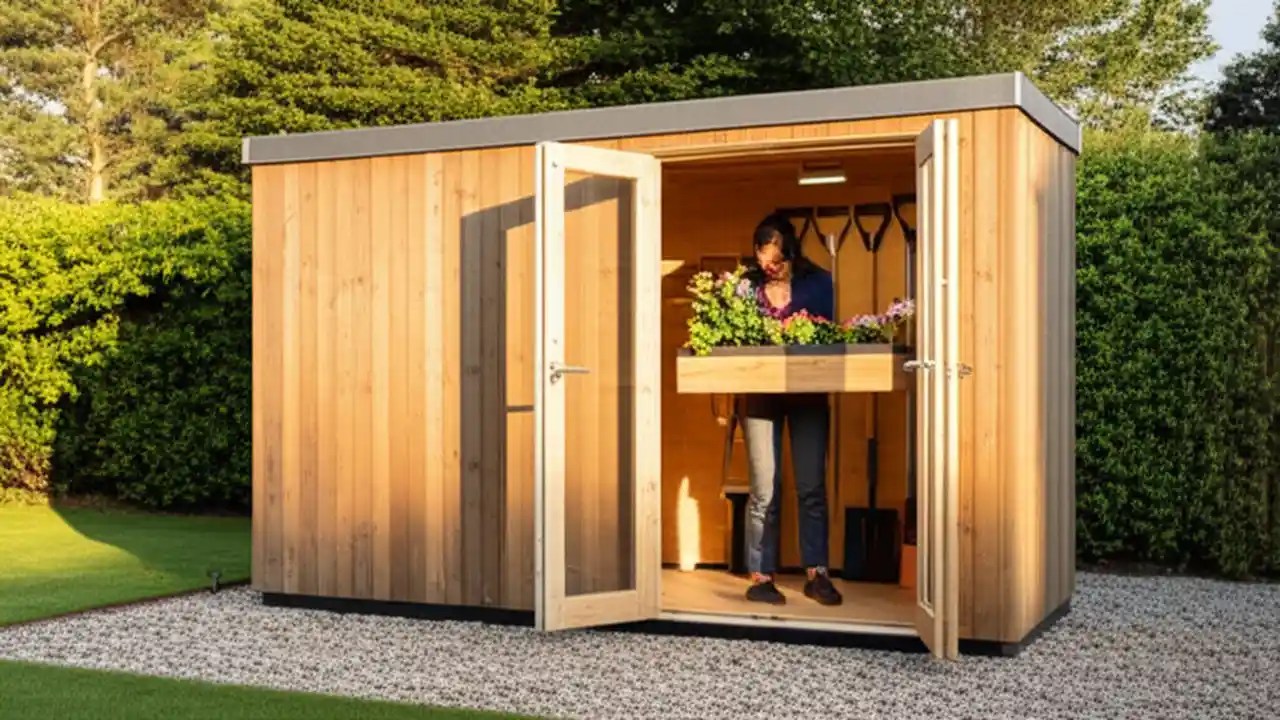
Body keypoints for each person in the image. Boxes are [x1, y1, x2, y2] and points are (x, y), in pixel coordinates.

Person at [741, 212, 843, 606]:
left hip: (807, 393)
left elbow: (827, 335)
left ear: (791, 252)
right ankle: (761, 575)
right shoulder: (746, 287)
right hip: (759, 392)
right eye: (761, 256)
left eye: (775, 258)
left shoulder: (818, 283)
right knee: (764, 490)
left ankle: (816, 573)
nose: (768, 265)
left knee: (811, 486)